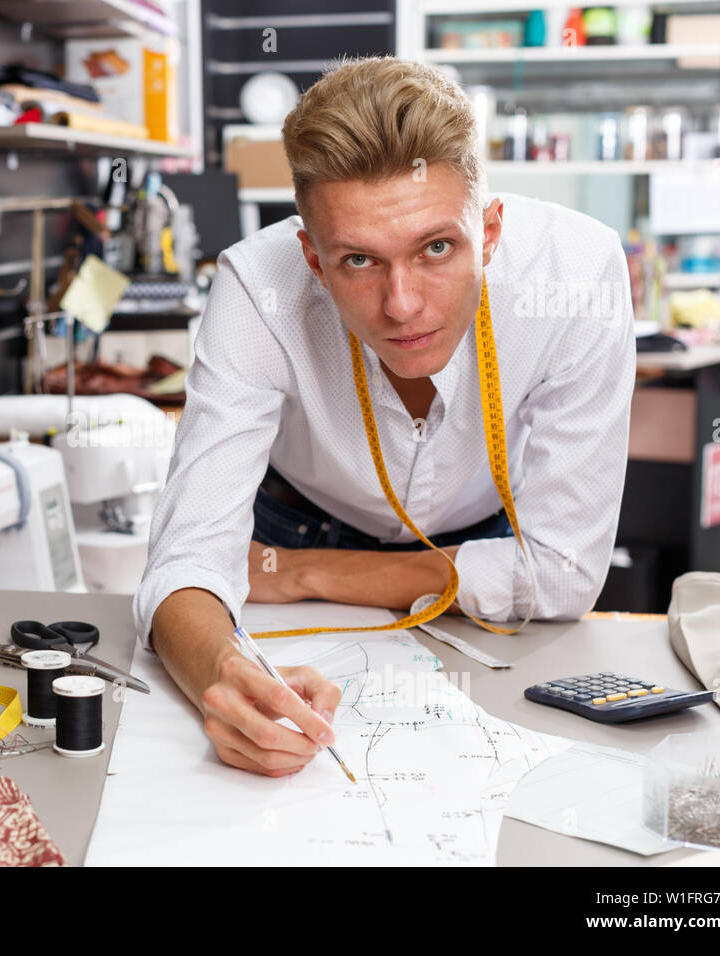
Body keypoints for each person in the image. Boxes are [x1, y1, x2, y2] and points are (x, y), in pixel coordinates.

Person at [134, 56, 634, 778]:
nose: (402, 305)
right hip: (301, 522)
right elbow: (185, 561)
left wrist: (303, 575)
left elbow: (560, 574)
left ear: (489, 233)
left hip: (432, 540)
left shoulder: (576, 274)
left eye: (437, 248)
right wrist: (222, 673)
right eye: (360, 261)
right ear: (311, 256)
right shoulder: (255, 286)